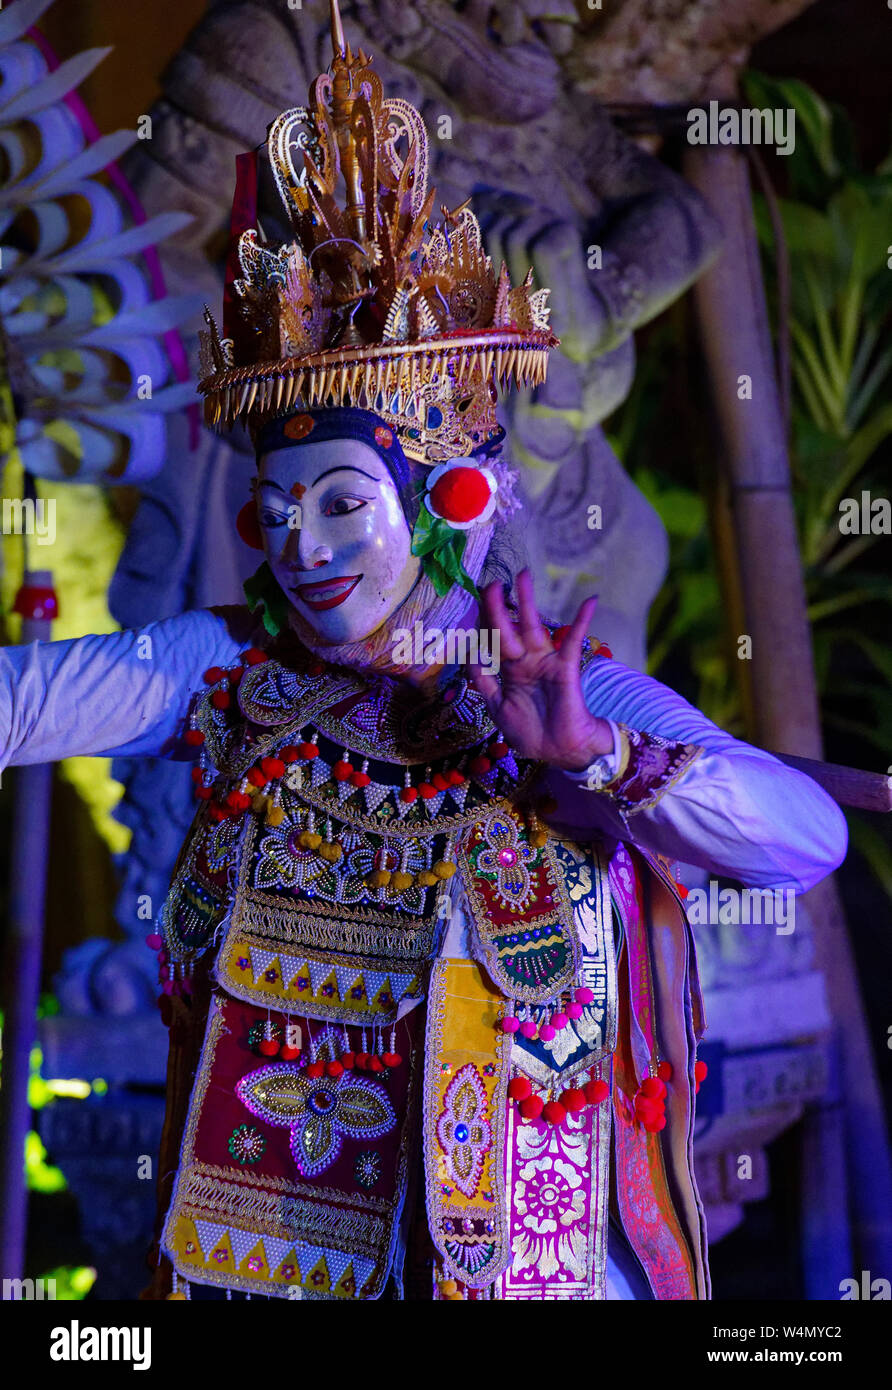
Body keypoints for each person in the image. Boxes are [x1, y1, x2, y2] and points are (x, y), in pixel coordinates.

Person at [0, 3, 846, 1301]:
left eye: (342, 503)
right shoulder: (218, 671)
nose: (306, 544)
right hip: (269, 1265)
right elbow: (24, 700)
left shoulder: (548, 692)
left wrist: (605, 758)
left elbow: (803, 837)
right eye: (280, 513)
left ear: (451, 496)